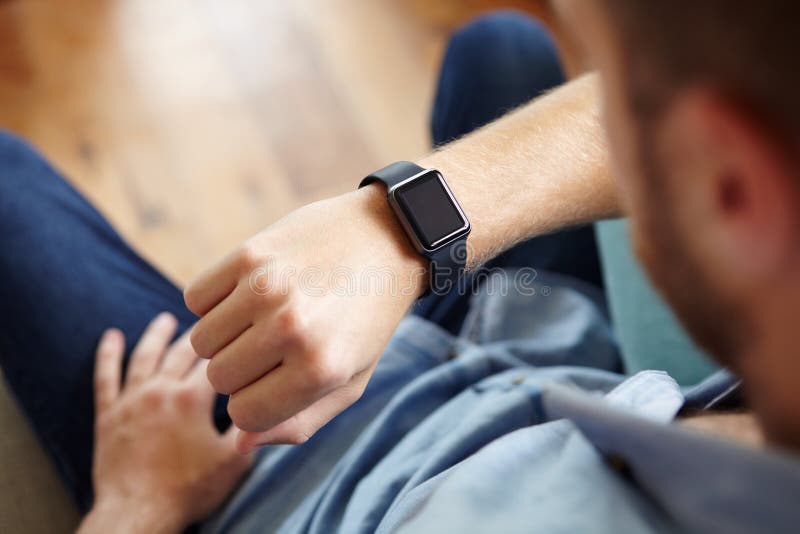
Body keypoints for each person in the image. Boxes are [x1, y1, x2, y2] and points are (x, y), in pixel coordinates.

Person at [0, 2, 798, 533]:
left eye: (618, 81)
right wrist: (401, 232)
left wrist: (136, 504)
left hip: (264, 472)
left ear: (731, 189)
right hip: (540, 358)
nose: (605, 107)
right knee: (504, 50)